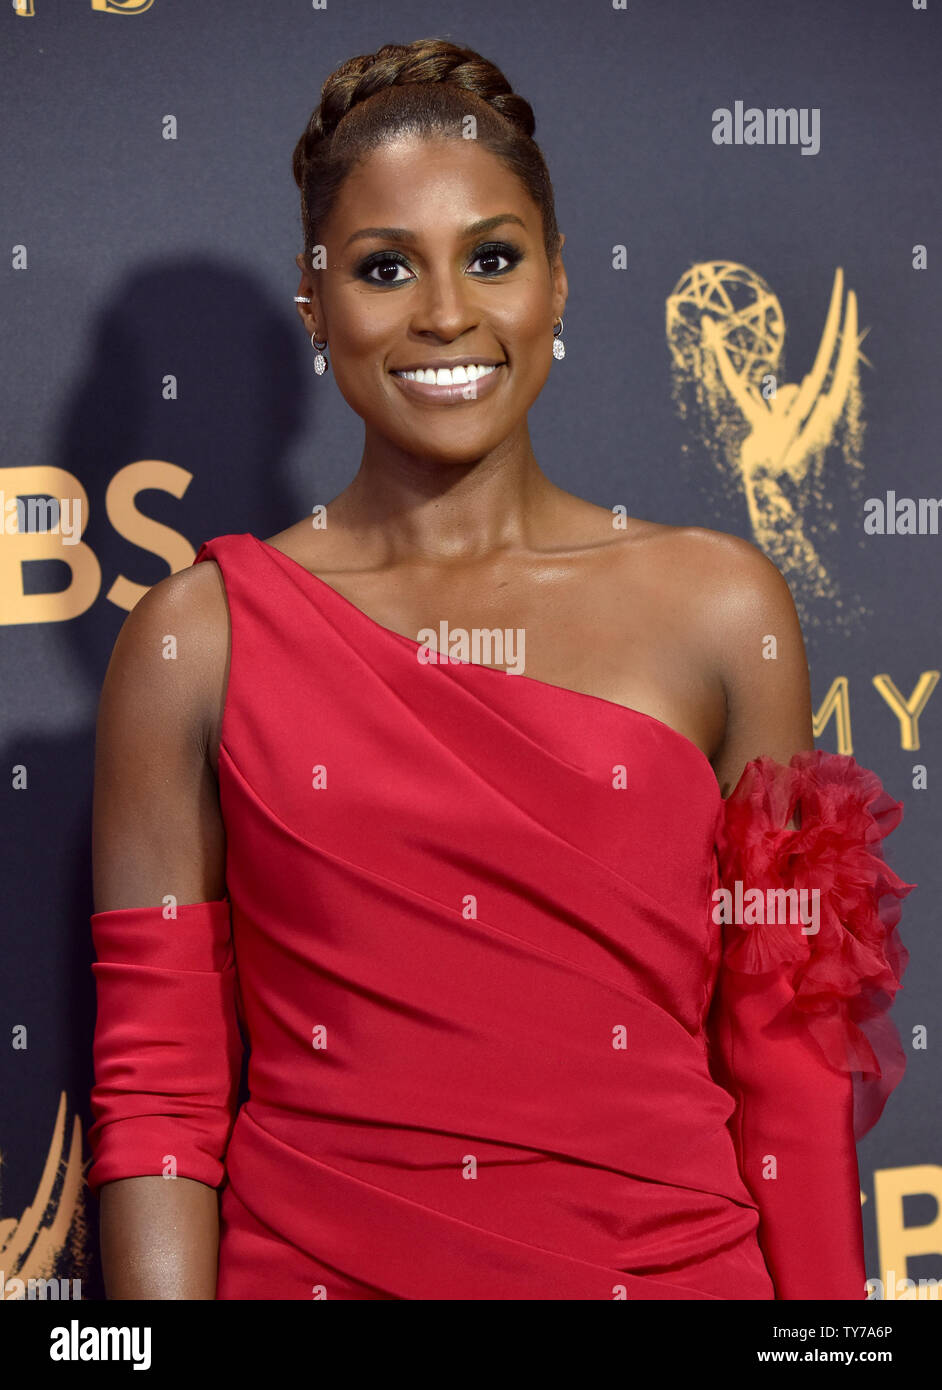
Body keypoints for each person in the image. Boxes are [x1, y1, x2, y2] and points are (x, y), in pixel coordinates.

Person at [86, 37, 914, 1300]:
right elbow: (160, 1089)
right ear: (317, 306)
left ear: (559, 281)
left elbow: (786, 1052)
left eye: (491, 256)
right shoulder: (198, 639)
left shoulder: (719, 605)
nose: (446, 315)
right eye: (382, 269)